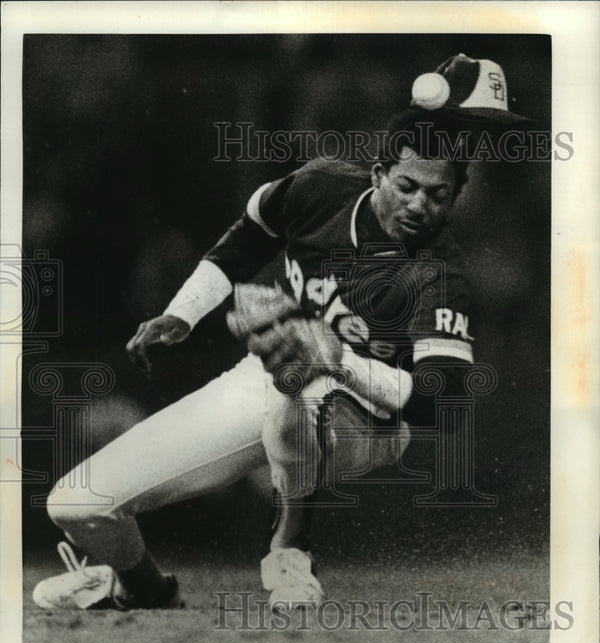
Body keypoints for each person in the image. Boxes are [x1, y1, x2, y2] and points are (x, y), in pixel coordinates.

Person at [33, 55, 524, 612]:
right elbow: (247, 237)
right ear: (378, 172)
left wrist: (337, 358)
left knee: (302, 381)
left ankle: (290, 554)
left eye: (437, 196)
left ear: (455, 197)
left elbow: (440, 401)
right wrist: (183, 313)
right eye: (408, 186)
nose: (419, 205)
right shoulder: (319, 186)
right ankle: (143, 588)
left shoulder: (439, 273)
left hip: (368, 419)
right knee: (77, 504)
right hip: (266, 378)